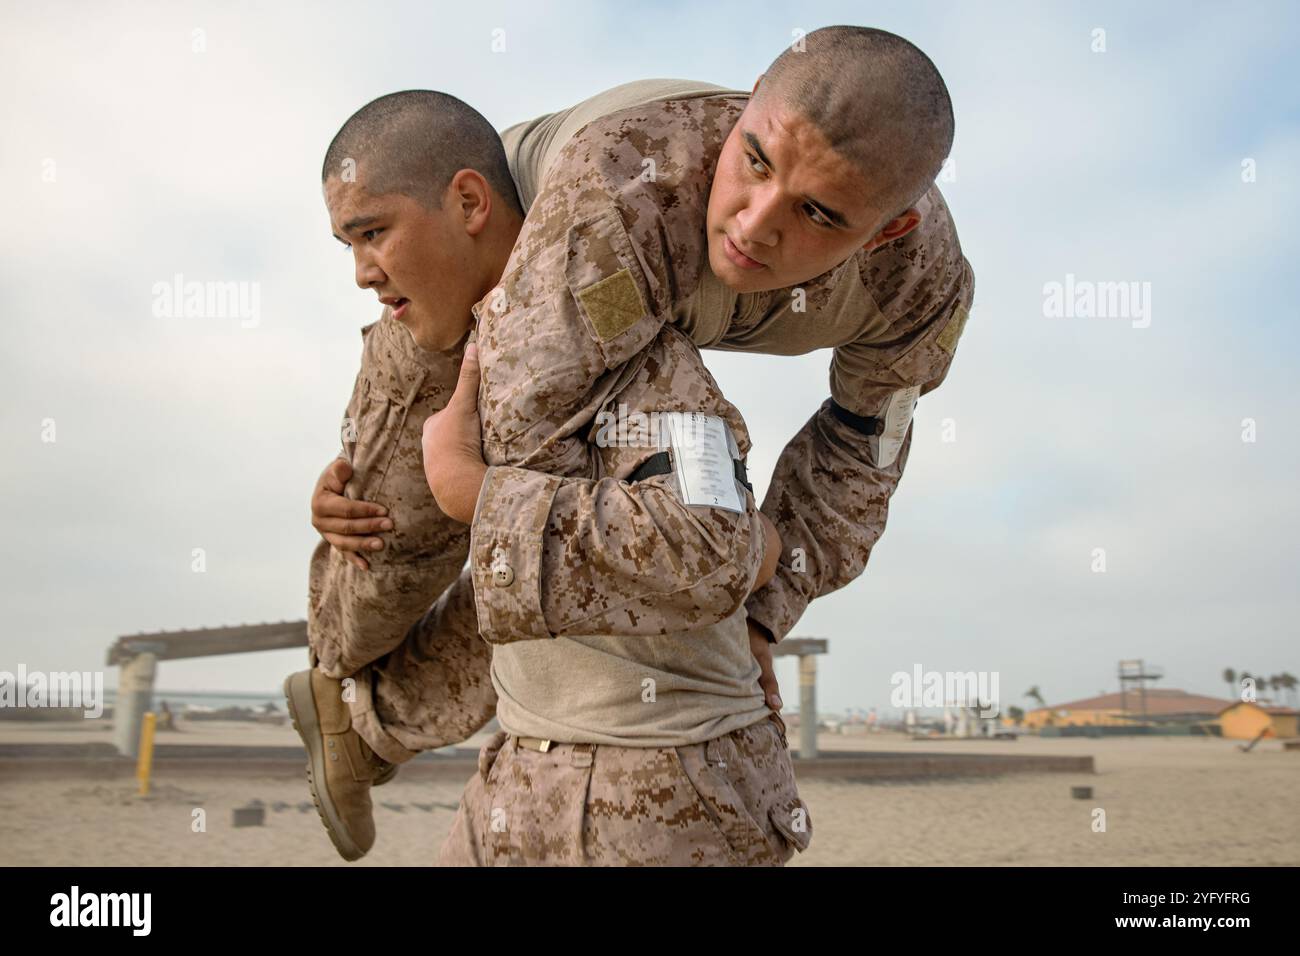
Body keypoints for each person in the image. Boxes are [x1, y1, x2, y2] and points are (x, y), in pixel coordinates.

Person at [296, 25, 976, 863]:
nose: (755, 226)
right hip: (482, 252)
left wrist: (762, 613)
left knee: (574, 544)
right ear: (741, 114)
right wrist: (457, 488)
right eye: (754, 160)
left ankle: (369, 729)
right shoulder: (620, 195)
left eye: (818, 213)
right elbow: (517, 471)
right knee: (393, 539)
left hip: (616, 288)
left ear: (887, 231)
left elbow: (858, 462)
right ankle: (335, 692)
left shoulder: (919, 291)